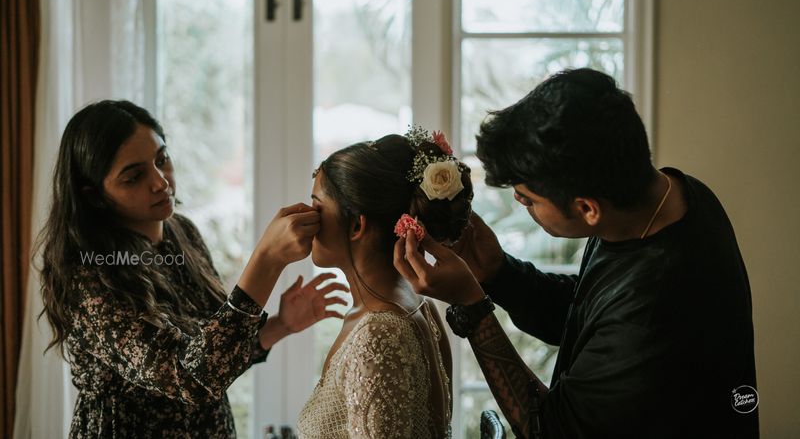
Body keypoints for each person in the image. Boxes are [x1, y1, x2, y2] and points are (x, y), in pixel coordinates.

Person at [394, 69, 759, 439]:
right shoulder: (668, 196)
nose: (520, 202)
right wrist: (498, 272)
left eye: (530, 198)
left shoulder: (658, 305)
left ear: (587, 208)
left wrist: (471, 306)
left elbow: (550, 430)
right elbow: (591, 314)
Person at [38, 100, 347, 438]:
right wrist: (266, 259)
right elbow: (191, 379)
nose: (160, 182)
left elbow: (213, 356)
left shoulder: (182, 234)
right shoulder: (90, 275)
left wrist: (280, 325)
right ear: (94, 195)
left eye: (162, 160)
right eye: (134, 177)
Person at [296, 129, 471, 439]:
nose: (307, 216)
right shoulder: (420, 306)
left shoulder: (379, 333)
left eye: (317, 205)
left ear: (355, 225)